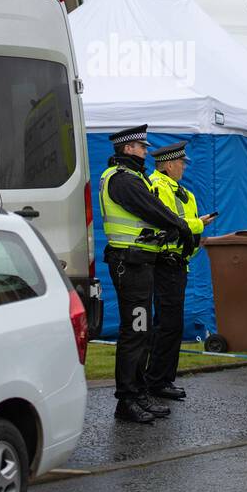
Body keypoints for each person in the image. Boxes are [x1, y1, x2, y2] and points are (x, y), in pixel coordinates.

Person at [100, 124, 194, 424]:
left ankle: (138, 393)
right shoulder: (122, 180)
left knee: (141, 332)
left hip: (140, 265)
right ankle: (127, 399)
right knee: (135, 332)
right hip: (130, 265)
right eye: (142, 147)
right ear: (128, 148)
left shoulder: (132, 177)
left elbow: (153, 209)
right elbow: (152, 209)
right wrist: (180, 227)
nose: (145, 151)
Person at [144, 141, 215, 401]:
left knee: (170, 324)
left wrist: (195, 237)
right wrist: (198, 224)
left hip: (179, 263)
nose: (184, 167)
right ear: (170, 164)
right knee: (168, 325)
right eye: (181, 163)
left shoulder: (183, 192)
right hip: (165, 263)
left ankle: (162, 378)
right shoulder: (158, 187)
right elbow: (169, 223)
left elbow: (184, 230)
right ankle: (157, 381)